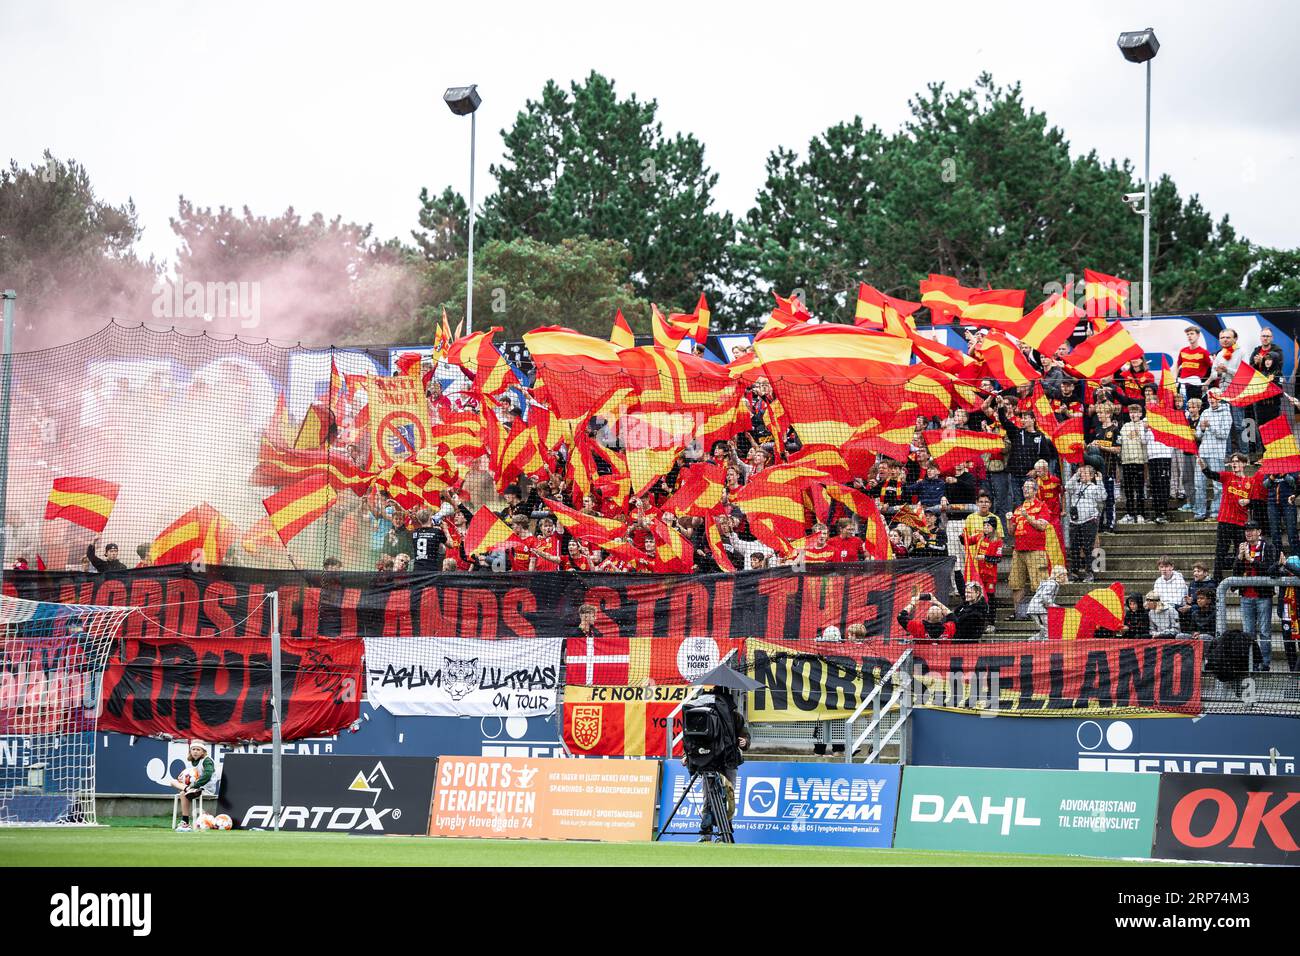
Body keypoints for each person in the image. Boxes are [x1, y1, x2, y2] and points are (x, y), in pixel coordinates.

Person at [694, 686, 749, 842]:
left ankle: (726, 834)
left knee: (728, 797)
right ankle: (706, 834)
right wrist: (687, 754)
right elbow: (695, 738)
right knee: (708, 798)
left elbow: (744, 735)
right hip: (709, 762)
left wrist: (745, 742)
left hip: (730, 762)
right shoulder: (703, 716)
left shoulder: (736, 717)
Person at [1200, 452, 1262, 580]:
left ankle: (1238, 580)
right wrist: (1204, 467)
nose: (1234, 463)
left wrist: (1248, 502)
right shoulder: (1227, 476)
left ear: (1244, 464)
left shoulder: (1251, 481)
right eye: (1233, 461)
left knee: (1239, 553)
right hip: (1225, 521)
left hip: (1241, 524)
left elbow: (1258, 503)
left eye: (1238, 461)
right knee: (1220, 552)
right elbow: (1212, 474)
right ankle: (1217, 580)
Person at [1232, 521, 1280, 671]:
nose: (1248, 533)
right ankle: (1251, 663)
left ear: (1259, 532)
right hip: (1246, 596)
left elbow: (1269, 569)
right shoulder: (1242, 547)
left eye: (1252, 530)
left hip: (1263, 596)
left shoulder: (1268, 547)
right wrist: (1240, 557)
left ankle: (1265, 664)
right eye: (1246, 530)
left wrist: (1251, 560)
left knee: (1265, 632)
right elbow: (1235, 572)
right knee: (1248, 634)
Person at [1007, 480, 1051, 615]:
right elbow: (1011, 532)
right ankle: (1018, 613)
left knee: (1039, 584)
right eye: (1024, 487)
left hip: (1036, 550)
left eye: (1029, 488)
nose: (1025, 490)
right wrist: (1009, 521)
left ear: (1035, 490)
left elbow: (1042, 526)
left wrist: (1028, 517)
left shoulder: (1042, 506)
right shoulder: (1018, 509)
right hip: (1018, 550)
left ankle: (1042, 613)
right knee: (1016, 583)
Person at [1194, 388, 1233, 519]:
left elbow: (1224, 435)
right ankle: (1199, 513)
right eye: (1210, 398)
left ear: (1219, 398)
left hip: (1217, 454)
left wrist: (1210, 426)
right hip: (1202, 453)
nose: (1211, 400)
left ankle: (1216, 512)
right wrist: (1203, 429)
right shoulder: (1205, 412)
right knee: (1198, 484)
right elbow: (1198, 435)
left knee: (1218, 486)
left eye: (1214, 397)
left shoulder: (1226, 413)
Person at [1065, 464, 1105, 582]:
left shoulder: (1094, 487)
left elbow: (1102, 497)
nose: (1082, 475)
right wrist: (1076, 474)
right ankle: (1075, 571)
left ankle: (1089, 573)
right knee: (1074, 548)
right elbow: (1067, 487)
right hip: (1075, 521)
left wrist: (1100, 482)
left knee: (1088, 548)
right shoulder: (1076, 486)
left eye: (1085, 473)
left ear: (1092, 475)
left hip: (1089, 521)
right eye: (1081, 473)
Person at [170, 741, 215, 831]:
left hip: (205, 789)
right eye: (193, 749)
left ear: (203, 752)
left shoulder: (207, 760)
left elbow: (207, 775)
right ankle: (185, 822)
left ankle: (185, 821)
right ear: (190, 751)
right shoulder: (191, 762)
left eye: (198, 750)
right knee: (173, 782)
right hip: (192, 788)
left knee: (183, 793)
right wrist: (181, 779)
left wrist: (195, 786)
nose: (195, 751)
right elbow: (188, 777)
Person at [1117, 404, 1150, 523]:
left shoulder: (1144, 425)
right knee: (1129, 490)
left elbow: (1145, 442)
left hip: (1140, 461)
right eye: (1131, 412)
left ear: (1141, 414)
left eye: (1136, 412)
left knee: (1140, 489)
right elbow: (1119, 440)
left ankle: (1141, 514)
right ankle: (1130, 514)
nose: (1133, 415)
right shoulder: (1125, 426)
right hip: (1126, 461)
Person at [1026, 566, 1068, 639]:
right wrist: (1052, 605)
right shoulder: (1052, 584)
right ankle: (1045, 643)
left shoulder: (1051, 583)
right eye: (1063, 575)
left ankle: (1032, 640)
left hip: (1037, 608)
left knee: (1045, 629)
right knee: (1047, 628)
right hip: (1038, 609)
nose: (1065, 577)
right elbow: (1044, 596)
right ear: (1058, 575)